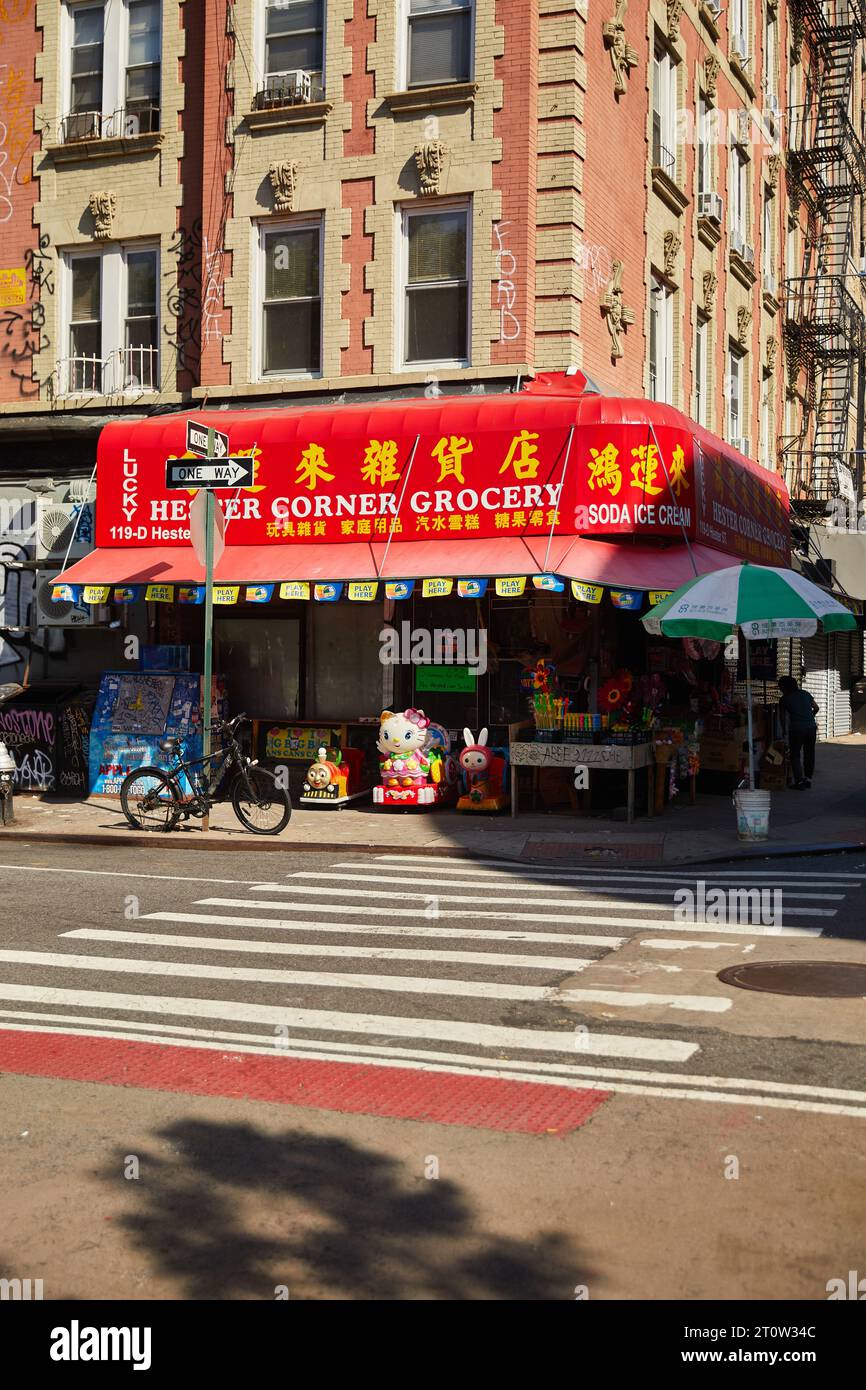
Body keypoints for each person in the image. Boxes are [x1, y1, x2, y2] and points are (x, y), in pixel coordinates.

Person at [777, 675, 819, 790]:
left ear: (784, 687)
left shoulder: (784, 699)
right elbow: (816, 708)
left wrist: (784, 731)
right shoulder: (805, 693)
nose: (780, 689)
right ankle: (808, 780)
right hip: (811, 727)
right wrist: (809, 717)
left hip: (796, 729)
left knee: (795, 754)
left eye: (780, 687)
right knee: (809, 753)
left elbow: (782, 717)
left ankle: (799, 782)